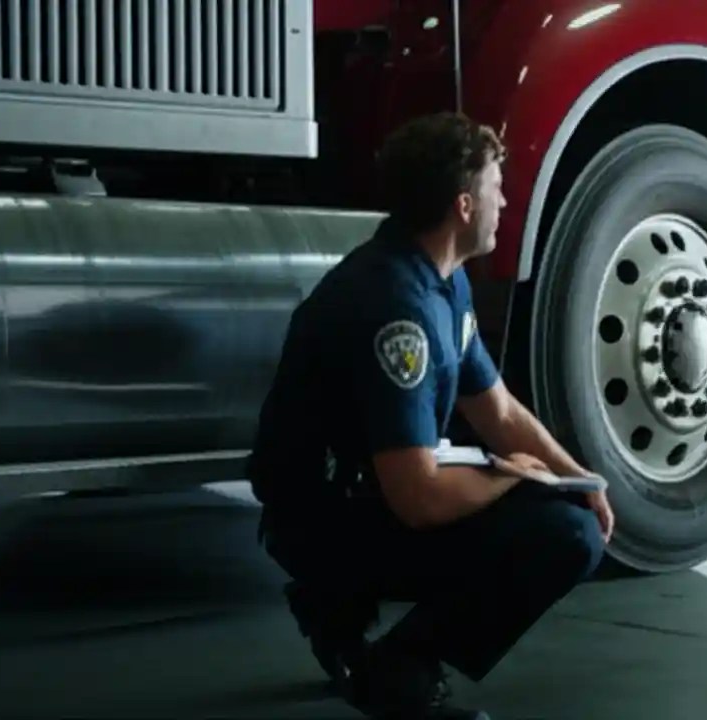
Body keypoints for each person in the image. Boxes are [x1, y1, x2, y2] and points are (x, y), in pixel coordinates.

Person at [246, 112, 616, 720]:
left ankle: (336, 608)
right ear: (465, 205)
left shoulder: (442, 280)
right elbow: (418, 496)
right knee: (564, 539)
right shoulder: (398, 307)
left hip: (361, 496)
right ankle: (400, 667)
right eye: (499, 186)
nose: (507, 199)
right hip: (324, 518)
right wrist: (513, 473)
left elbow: (495, 408)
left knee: (569, 511)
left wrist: (581, 479)